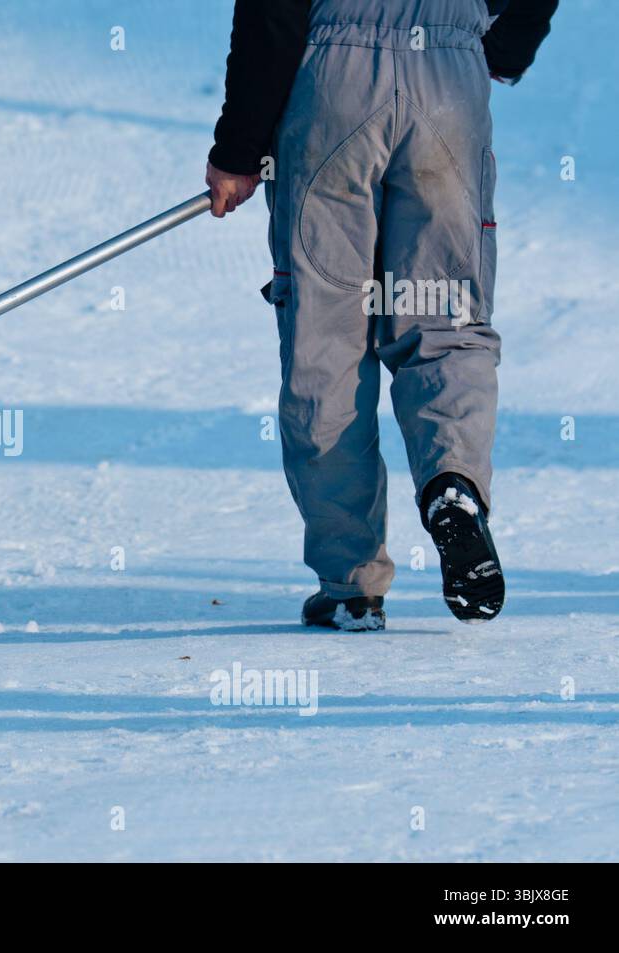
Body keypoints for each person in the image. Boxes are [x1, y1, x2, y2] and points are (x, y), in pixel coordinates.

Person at [206, 0, 558, 630]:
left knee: (327, 339)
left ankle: (350, 584)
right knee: (443, 322)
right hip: (450, 79)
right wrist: (501, 46)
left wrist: (239, 145)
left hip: (335, 84)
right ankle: (453, 483)